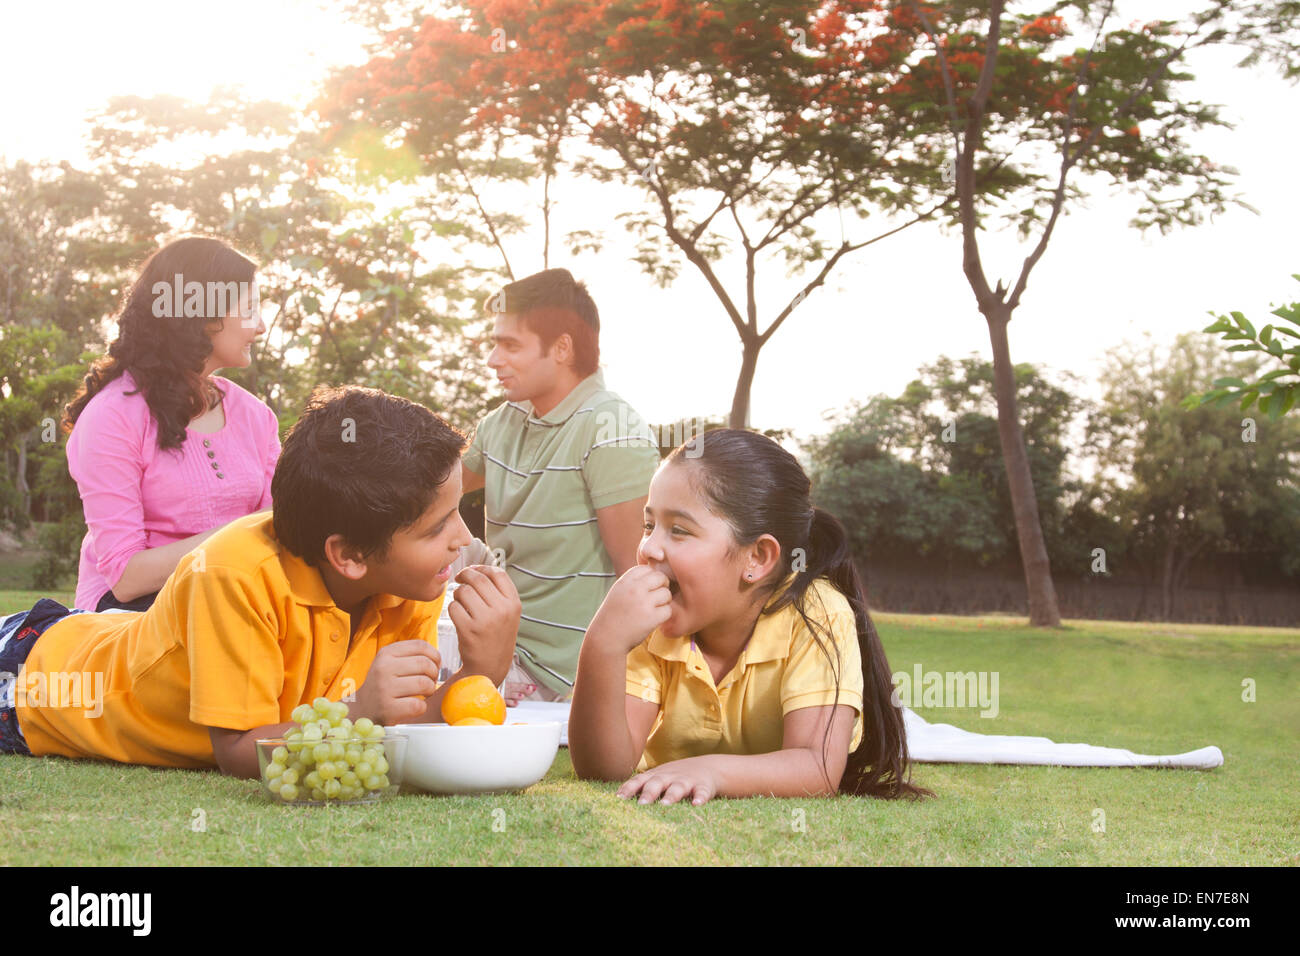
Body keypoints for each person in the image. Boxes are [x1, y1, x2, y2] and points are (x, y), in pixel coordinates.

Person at [0, 386, 520, 775]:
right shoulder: (235, 574)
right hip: (36, 683)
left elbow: (402, 720)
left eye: (457, 512)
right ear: (350, 555)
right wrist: (359, 708)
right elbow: (237, 749)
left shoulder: (410, 583)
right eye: (437, 527)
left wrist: (479, 671)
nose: (463, 538)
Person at [568, 429, 933, 805]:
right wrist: (603, 645)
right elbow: (604, 770)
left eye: (678, 530)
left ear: (757, 558)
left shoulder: (818, 613)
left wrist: (709, 770)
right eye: (649, 525)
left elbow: (817, 768)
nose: (648, 548)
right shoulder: (649, 621)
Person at [461, 268, 660, 703]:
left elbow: (640, 575)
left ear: (563, 348)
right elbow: (428, 496)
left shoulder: (613, 430)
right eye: (494, 343)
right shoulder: (503, 421)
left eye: (510, 345)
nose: (494, 359)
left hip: (560, 677)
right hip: (496, 646)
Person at [61, 236, 281, 612]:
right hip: (133, 620)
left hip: (233, 604)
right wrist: (245, 535)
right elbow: (127, 576)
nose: (260, 326)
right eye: (249, 309)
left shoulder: (254, 416)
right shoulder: (112, 417)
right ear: (202, 314)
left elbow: (279, 532)